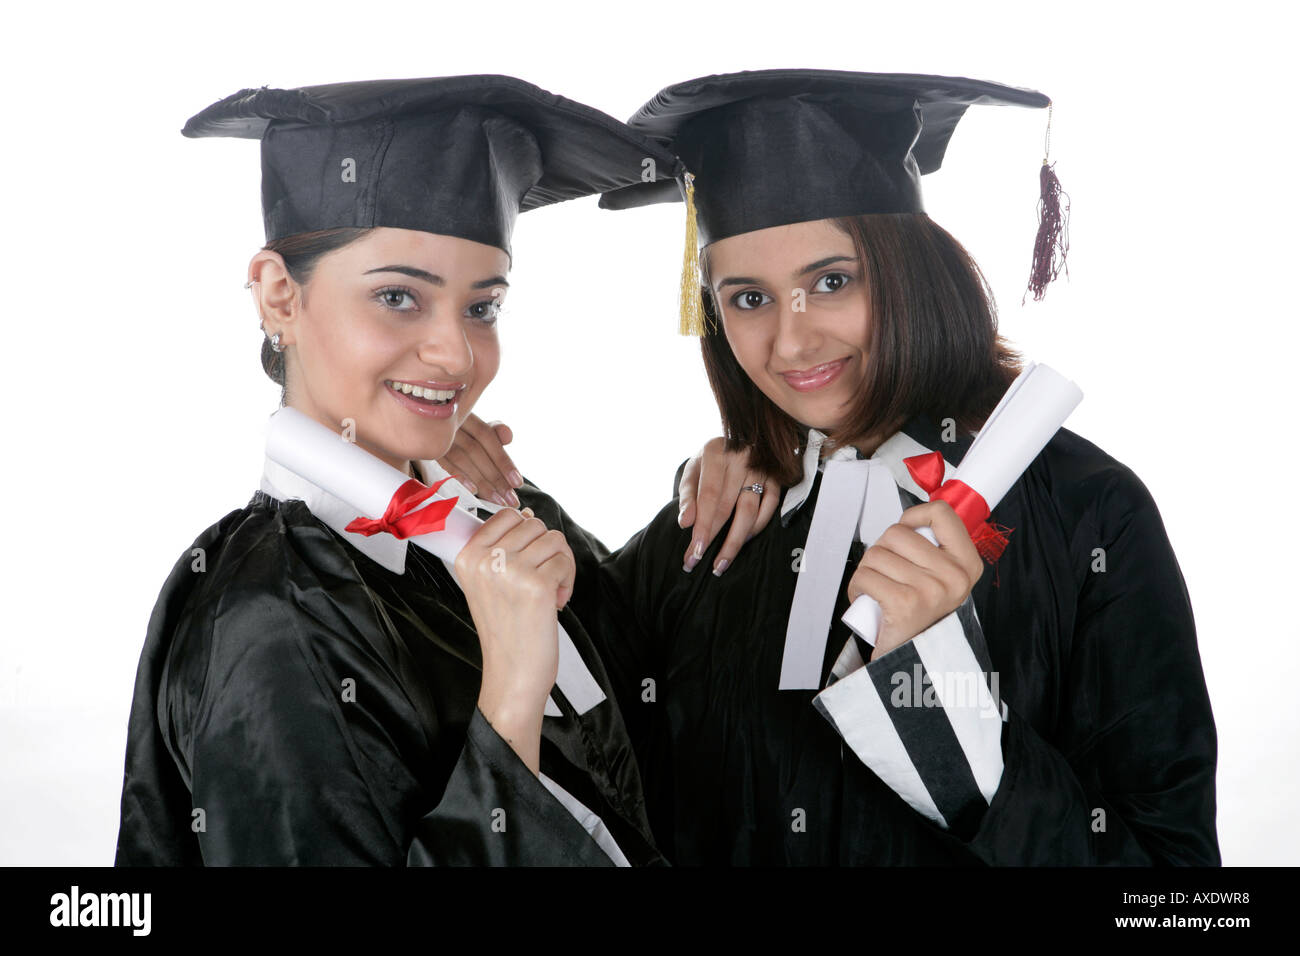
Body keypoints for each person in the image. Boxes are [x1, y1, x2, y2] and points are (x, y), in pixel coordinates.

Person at [446, 70, 1221, 865]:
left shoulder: (1087, 514)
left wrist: (940, 699)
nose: (793, 343)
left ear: (916, 271)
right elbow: (589, 719)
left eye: (832, 281)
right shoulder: (723, 522)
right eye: (749, 299)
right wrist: (468, 478)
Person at [113, 75, 768, 867]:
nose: (456, 355)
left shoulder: (493, 516)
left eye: (482, 307)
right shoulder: (272, 619)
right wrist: (513, 693)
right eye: (397, 296)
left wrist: (735, 471)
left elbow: (658, 676)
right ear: (280, 296)